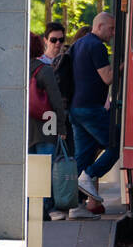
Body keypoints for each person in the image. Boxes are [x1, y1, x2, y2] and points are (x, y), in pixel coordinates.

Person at [69, 12, 117, 219]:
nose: (113, 33)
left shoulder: (79, 44)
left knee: (83, 156)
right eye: (111, 29)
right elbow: (107, 77)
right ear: (99, 26)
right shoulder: (97, 45)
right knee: (116, 145)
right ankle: (90, 175)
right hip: (91, 108)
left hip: (76, 108)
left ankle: (74, 207)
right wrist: (126, 65)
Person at [28, 33, 69, 221]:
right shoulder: (44, 70)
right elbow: (56, 101)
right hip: (47, 125)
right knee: (45, 169)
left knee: (29, 169)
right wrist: (62, 128)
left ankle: (29, 208)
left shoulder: (15, 70)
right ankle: (44, 208)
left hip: (25, 127)